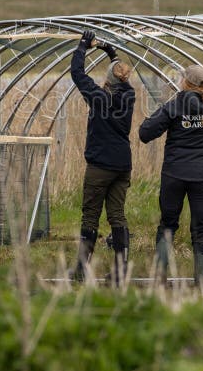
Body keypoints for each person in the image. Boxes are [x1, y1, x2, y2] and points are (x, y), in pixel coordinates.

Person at [139, 64, 203, 289]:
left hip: (174, 174)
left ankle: (160, 279)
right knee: (202, 228)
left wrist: (156, 115)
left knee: (168, 224)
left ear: (185, 82)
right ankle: (202, 283)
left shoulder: (173, 105)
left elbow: (145, 133)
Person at [70, 30, 136, 285]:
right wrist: (109, 51)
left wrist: (82, 47)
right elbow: (119, 72)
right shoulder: (129, 95)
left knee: (90, 216)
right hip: (122, 165)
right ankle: (121, 272)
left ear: (107, 79)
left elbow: (77, 74)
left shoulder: (98, 97)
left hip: (100, 165)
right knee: (117, 216)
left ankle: (80, 269)